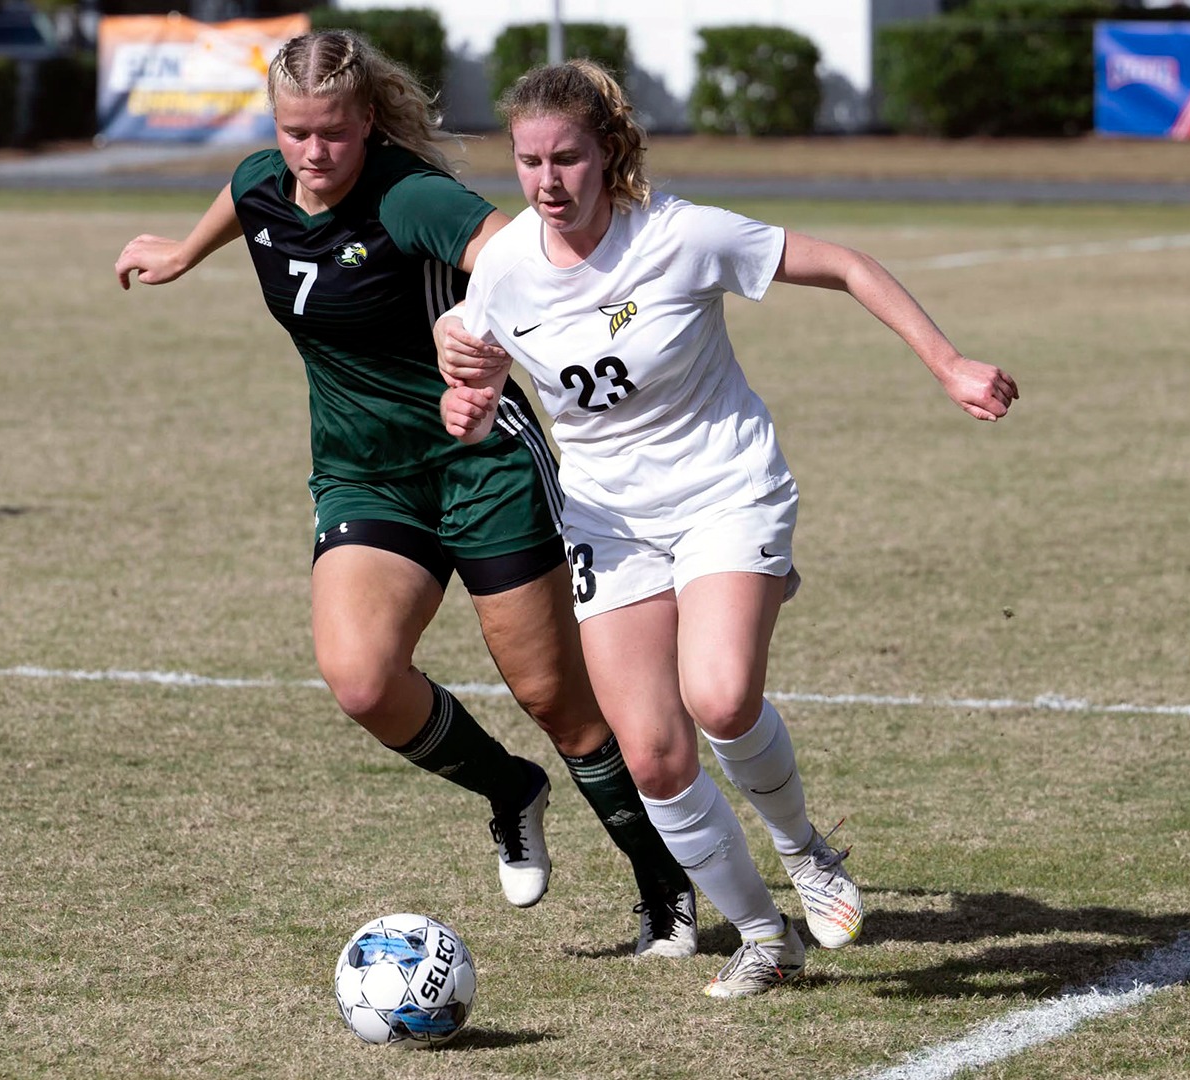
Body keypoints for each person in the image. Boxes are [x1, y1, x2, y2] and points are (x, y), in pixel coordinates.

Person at [436, 61, 1020, 998]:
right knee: (653, 756)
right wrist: (463, 402)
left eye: (567, 159)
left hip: (725, 492)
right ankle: (763, 936)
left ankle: (806, 849)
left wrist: (948, 363)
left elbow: (846, 265)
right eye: (529, 161)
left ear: (607, 152)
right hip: (608, 521)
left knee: (719, 698)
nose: (547, 182)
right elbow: (472, 378)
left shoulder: (681, 235)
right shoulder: (505, 268)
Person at [112, 31, 696, 958]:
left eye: (335, 133)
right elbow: (244, 195)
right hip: (364, 474)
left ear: (369, 119)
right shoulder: (264, 181)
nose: (314, 153)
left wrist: (495, 335)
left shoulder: (410, 196)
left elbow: (523, 254)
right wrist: (185, 252)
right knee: (362, 678)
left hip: (482, 464)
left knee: (557, 699)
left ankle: (666, 889)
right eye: (296, 132)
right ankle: (510, 789)